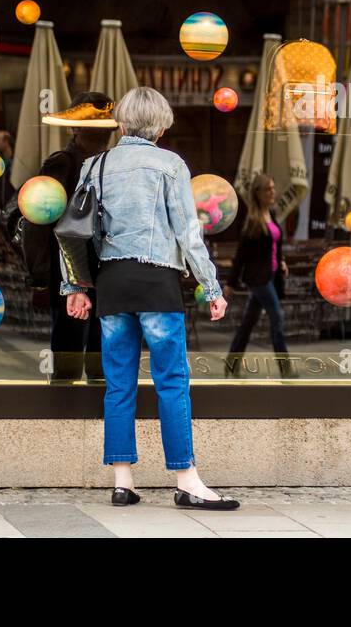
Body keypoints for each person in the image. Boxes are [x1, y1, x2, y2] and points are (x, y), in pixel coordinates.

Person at [61, 87, 238, 511]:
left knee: (118, 384)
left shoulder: (94, 165)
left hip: (111, 285)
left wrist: (75, 288)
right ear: (160, 126)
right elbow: (188, 233)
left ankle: (123, 482)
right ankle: (187, 479)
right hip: (157, 284)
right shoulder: (170, 165)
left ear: (121, 124)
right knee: (172, 382)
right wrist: (211, 287)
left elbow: (73, 230)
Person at [24, 92, 117, 383]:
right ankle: (64, 413)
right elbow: (37, 223)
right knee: (68, 359)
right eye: (92, 123)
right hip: (69, 274)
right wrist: (40, 277)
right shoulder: (62, 164)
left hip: (107, 274)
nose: (100, 130)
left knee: (101, 362)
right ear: (74, 128)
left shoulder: (114, 165)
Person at [223, 173, 294, 378]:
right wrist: (231, 282)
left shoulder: (271, 214)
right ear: (258, 193)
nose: (273, 192)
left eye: (273, 188)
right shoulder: (253, 221)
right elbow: (242, 255)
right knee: (277, 318)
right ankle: (286, 369)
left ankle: (231, 365)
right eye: (268, 189)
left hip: (271, 276)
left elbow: (273, 246)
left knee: (248, 323)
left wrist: (281, 261)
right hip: (259, 280)